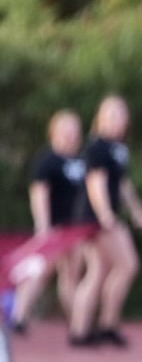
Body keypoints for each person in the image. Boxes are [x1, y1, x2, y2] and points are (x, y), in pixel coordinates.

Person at [70, 95, 142, 348]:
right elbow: (96, 182)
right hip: (96, 219)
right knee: (127, 266)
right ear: (101, 118)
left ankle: (83, 330)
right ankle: (105, 324)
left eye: (122, 114)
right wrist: (105, 215)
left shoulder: (118, 150)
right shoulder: (97, 147)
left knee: (98, 272)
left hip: (103, 217)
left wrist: (137, 211)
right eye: (113, 114)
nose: (119, 120)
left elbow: (122, 185)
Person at [9, 110, 87, 334]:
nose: (70, 135)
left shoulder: (81, 161)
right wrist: (43, 226)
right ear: (53, 132)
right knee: (41, 272)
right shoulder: (47, 160)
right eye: (65, 130)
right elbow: (39, 193)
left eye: (74, 130)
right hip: (54, 227)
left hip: (76, 228)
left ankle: (77, 322)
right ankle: (19, 317)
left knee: (71, 275)